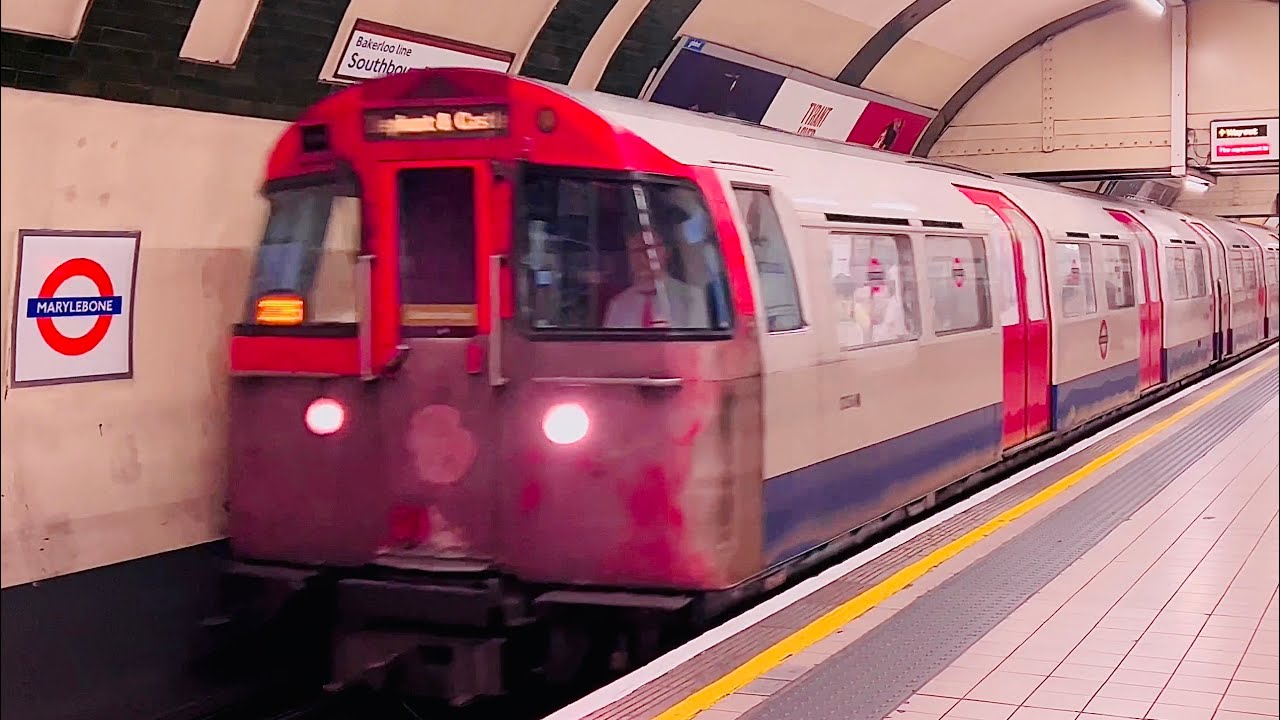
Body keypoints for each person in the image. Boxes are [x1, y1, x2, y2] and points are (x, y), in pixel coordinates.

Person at [604, 230, 707, 329]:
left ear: (667, 251)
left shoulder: (692, 298)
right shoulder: (619, 304)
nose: (645, 256)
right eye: (637, 250)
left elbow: (703, 345)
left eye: (650, 248)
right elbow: (610, 346)